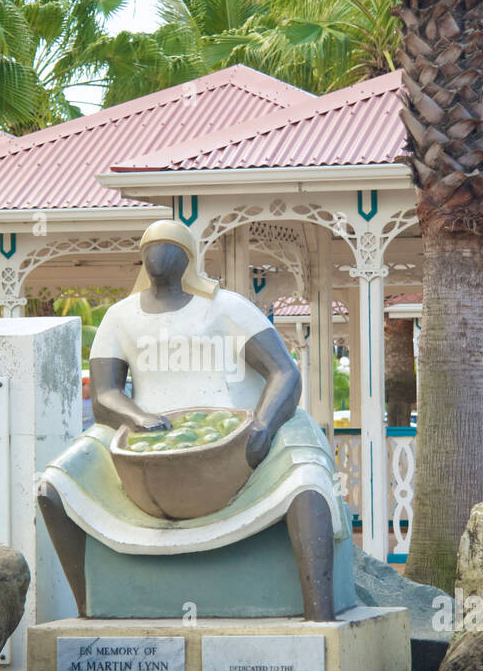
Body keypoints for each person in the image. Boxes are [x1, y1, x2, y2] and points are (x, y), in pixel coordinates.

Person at [37, 219, 345, 621]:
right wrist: (138, 417)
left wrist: (264, 425)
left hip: (242, 439)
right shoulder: (119, 316)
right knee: (53, 486)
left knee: (308, 481)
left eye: (170, 248)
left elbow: (284, 372)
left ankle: (319, 617)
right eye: (151, 248)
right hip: (145, 443)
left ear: (189, 258)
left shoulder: (227, 307)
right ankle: (90, 608)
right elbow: (105, 395)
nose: (159, 257)